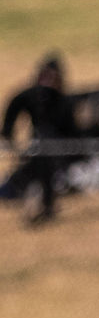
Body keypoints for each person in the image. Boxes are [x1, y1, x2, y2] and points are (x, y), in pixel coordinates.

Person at [2, 54, 79, 225]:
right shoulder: (30, 97)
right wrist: (9, 136)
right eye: (44, 78)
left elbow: (74, 135)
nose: (48, 84)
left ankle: (42, 201)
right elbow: (12, 111)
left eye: (52, 78)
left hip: (61, 156)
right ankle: (38, 201)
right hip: (37, 153)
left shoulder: (64, 102)